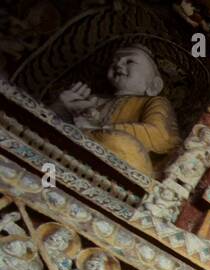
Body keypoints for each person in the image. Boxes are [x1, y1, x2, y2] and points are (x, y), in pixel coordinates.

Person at [54, 45, 179, 177]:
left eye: (129, 61)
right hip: (77, 149)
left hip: (120, 159)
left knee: (119, 143)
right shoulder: (93, 99)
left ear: (154, 85)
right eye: (115, 61)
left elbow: (160, 137)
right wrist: (62, 108)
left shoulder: (155, 102)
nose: (118, 64)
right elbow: (61, 124)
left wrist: (99, 127)